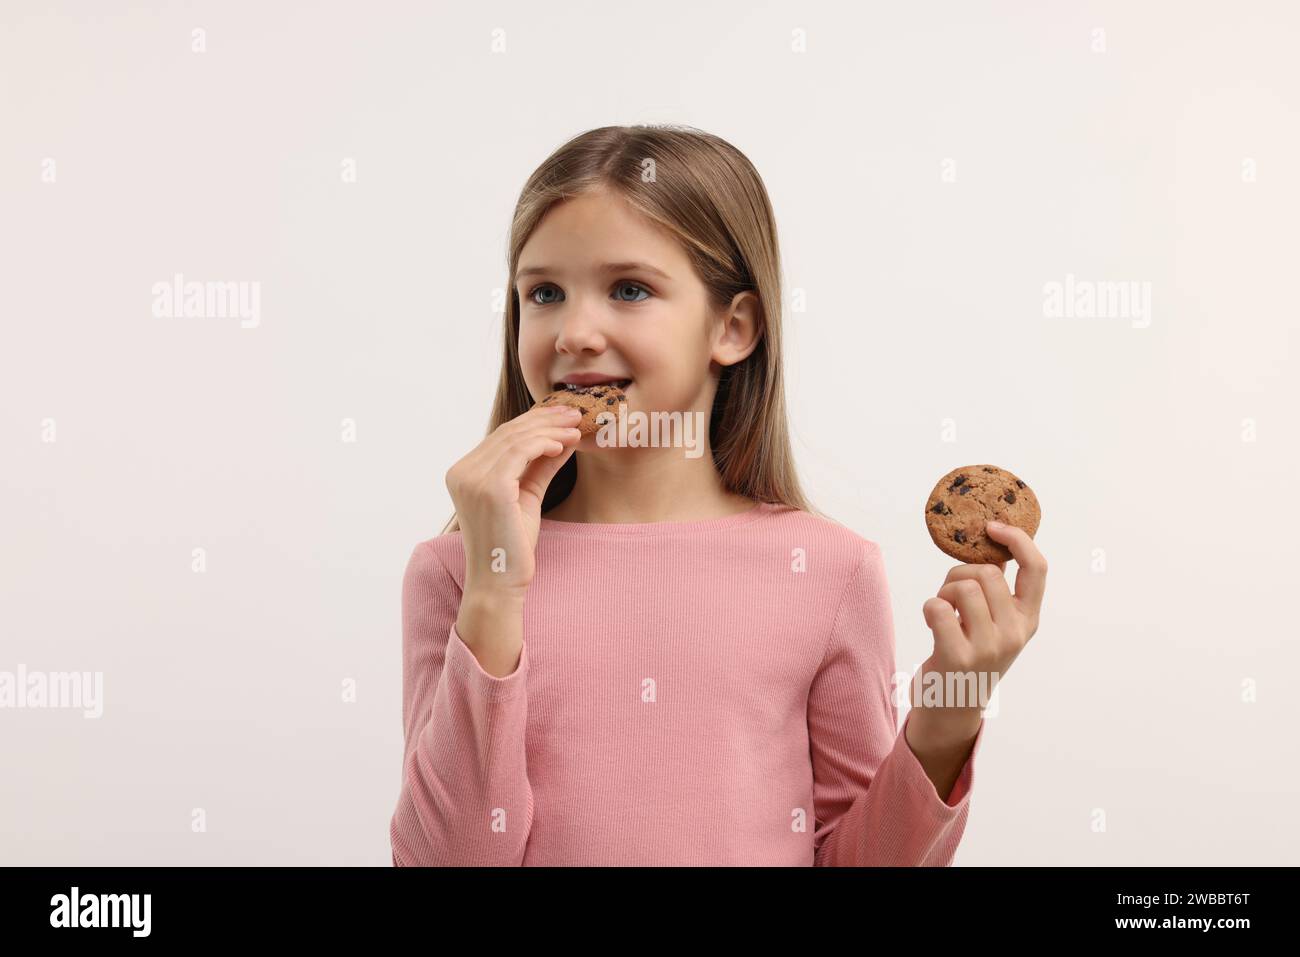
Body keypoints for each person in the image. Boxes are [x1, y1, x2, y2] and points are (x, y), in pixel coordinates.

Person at [390, 124, 1048, 866]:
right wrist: (494, 593)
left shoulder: (828, 569)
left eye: (628, 289)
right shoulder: (456, 573)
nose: (573, 332)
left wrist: (951, 710)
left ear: (733, 326)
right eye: (543, 292)